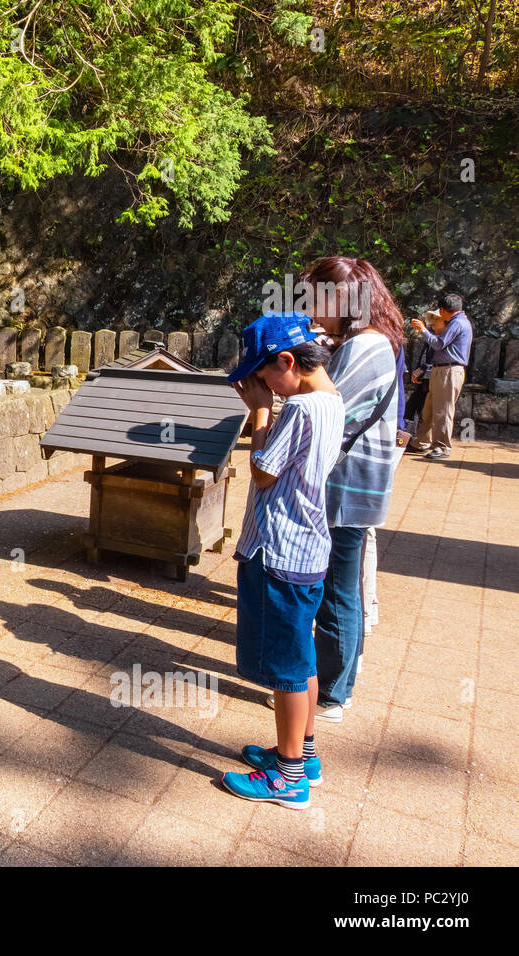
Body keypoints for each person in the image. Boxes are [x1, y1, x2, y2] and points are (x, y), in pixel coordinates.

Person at [220, 312, 344, 810]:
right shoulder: (333, 401)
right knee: (302, 658)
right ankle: (303, 754)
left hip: (279, 551)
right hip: (308, 550)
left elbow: (263, 472)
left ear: (288, 362)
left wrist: (260, 412)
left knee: (286, 669)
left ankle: (289, 778)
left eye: (264, 375)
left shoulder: (299, 409)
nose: (262, 386)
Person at [298, 257, 403, 723]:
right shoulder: (361, 341)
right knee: (340, 586)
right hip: (350, 484)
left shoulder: (365, 346)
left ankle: (333, 694)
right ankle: (334, 682)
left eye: (316, 297)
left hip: (347, 487)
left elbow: (327, 409)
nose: (309, 307)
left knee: (338, 590)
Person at [408, 294, 473, 460]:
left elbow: (438, 344)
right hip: (442, 370)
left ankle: (442, 447)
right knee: (429, 409)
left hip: (449, 371)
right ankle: (422, 442)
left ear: (444, 310)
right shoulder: (458, 322)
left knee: (443, 411)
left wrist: (422, 329)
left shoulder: (457, 323)